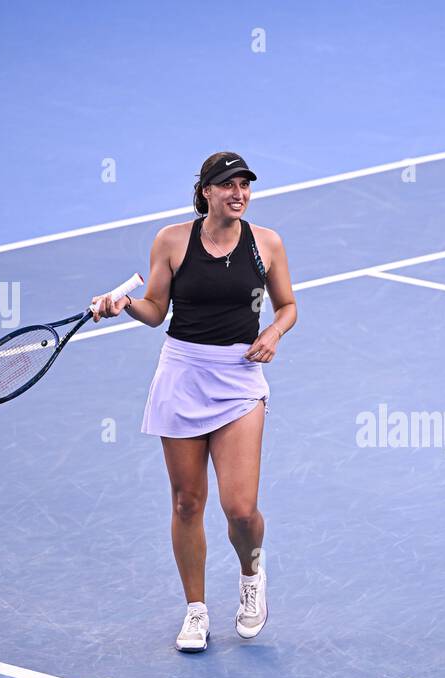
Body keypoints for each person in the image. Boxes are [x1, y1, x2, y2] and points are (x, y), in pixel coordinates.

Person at [93, 151, 297, 652]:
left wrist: (273, 331)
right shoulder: (172, 240)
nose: (239, 194)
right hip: (182, 374)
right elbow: (156, 309)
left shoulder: (266, 243)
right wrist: (123, 306)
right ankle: (196, 610)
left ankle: (252, 575)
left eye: (245, 186)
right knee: (187, 502)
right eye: (229, 185)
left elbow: (288, 305)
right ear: (206, 191)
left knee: (240, 509)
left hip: (239, 378)